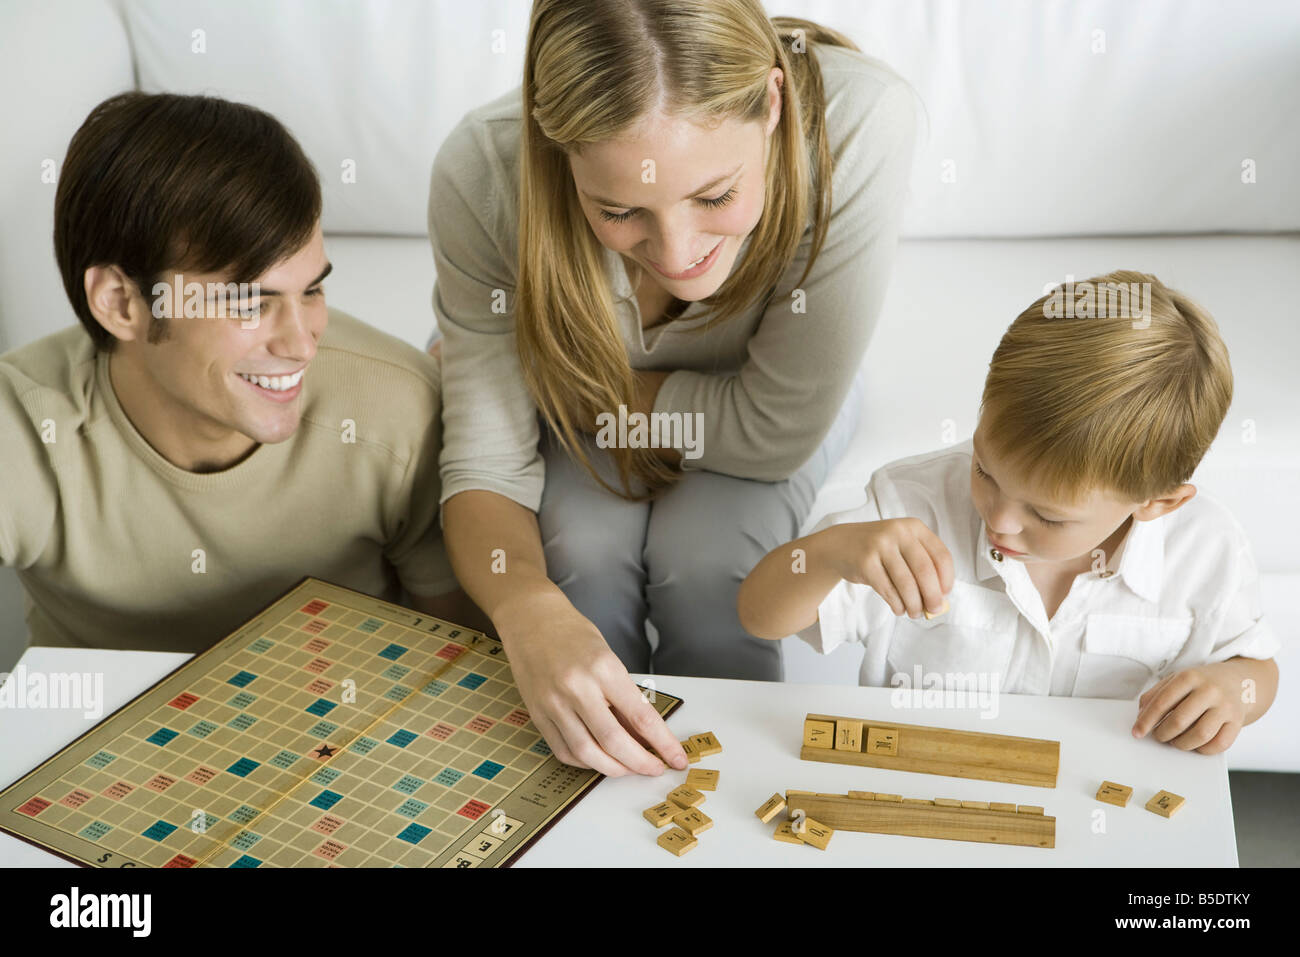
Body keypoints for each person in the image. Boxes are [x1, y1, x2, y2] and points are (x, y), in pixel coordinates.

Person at [427, 0, 918, 776]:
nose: (678, 252)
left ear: (774, 103)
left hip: (747, 404)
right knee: (575, 562)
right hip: (618, 406)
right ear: (558, 157)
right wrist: (525, 608)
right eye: (619, 211)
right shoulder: (481, 173)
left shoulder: (863, 120)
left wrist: (565, 386)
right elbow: (486, 466)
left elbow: (772, 429)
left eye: (716, 196)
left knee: (714, 571)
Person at [0, 91, 479, 654]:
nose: (302, 343)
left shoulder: (398, 407)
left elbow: (463, 659)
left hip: (337, 724)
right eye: (250, 303)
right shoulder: (26, 426)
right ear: (121, 303)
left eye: (313, 289)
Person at [738, 271, 1279, 753]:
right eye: (984, 471)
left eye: (1048, 516)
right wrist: (832, 554)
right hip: (917, 785)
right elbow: (759, 614)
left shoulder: (1207, 549)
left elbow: (1256, 668)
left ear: (1158, 503)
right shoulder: (911, 502)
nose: (999, 521)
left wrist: (1234, 691)